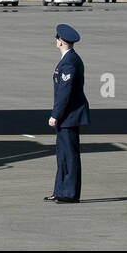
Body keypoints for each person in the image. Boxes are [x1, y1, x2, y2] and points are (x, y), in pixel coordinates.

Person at [46, 23, 89, 204]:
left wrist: (55, 115)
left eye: (57, 38)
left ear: (61, 41)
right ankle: (60, 190)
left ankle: (70, 193)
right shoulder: (68, 58)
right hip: (67, 116)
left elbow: (65, 92)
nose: (55, 40)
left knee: (69, 155)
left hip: (69, 116)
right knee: (62, 154)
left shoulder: (70, 62)